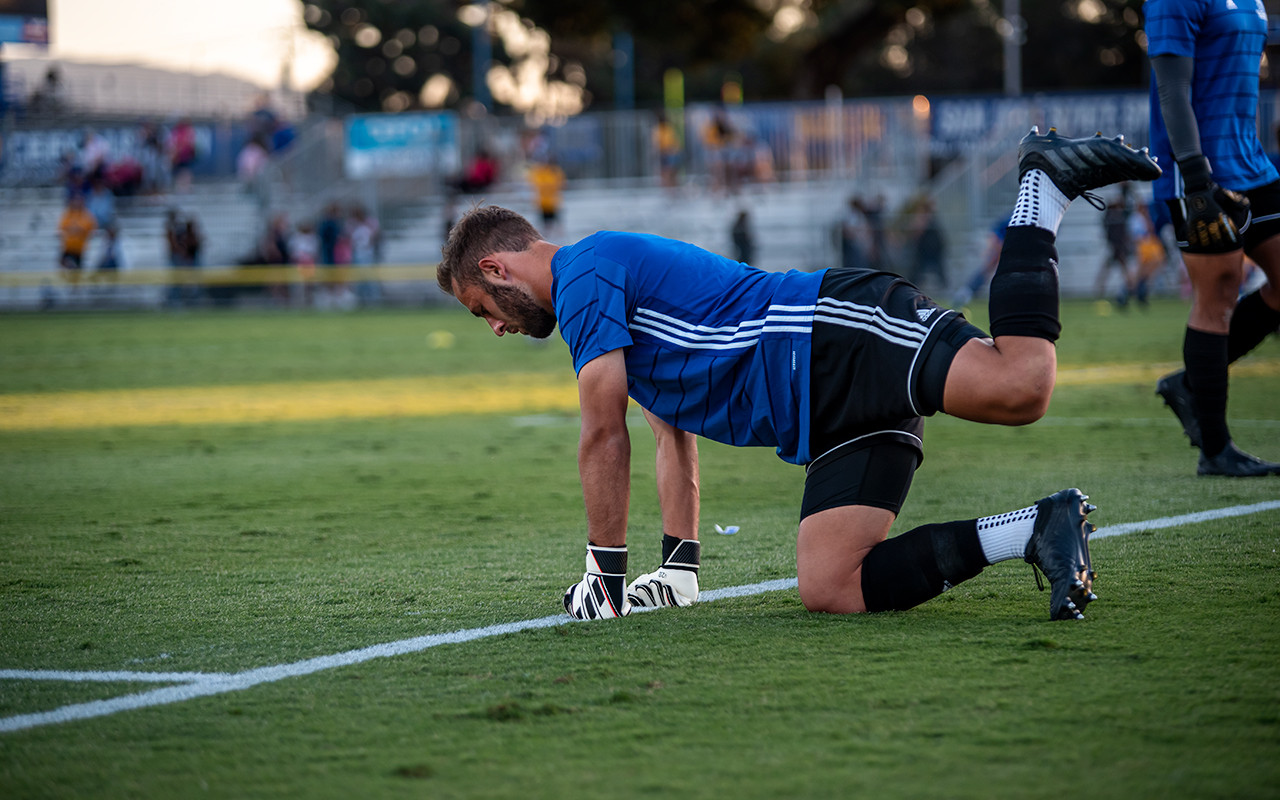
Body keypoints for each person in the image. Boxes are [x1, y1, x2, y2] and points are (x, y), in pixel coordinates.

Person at [436, 128, 1160, 622]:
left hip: (827, 332)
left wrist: (606, 576)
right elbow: (669, 435)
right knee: (832, 584)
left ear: (496, 268)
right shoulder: (602, 304)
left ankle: (1041, 190)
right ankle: (1036, 527)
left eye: (482, 309)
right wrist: (679, 568)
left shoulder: (583, 273)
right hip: (821, 413)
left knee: (1021, 387)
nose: (496, 326)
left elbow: (602, 434)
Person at [1147, 0, 1280, 477]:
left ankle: (1190, 384)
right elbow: (1172, 88)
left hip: (1253, 163)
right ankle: (1217, 450)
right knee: (1218, 294)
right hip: (1199, 168)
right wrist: (1196, 176)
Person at [57, 192, 97, 286]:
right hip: (68, 246)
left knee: (78, 270)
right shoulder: (67, 214)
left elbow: (91, 229)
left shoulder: (86, 215)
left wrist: (79, 230)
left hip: (79, 248)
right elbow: (62, 228)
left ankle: (75, 287)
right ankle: (71, 280)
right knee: (63, 262)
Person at [527, 157, 566, 237]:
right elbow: (538, 184)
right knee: (545, 224)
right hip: (543, 202)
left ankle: (555, 238)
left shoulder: (555, 171)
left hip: (553, 202)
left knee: (556, 223)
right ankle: (548, 238)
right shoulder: (540, 172)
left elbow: (562, 184)